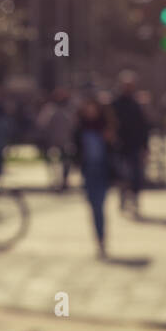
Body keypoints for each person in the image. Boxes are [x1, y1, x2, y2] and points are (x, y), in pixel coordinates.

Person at [74, 95, 116, 258]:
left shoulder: (105, 127)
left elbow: (114, 149)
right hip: (89, 172)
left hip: (103, 171)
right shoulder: (80, 128)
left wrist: (110, 140)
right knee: (94, 207)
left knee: (100, 206)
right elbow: (75, 152)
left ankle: (102, 238)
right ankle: (99, 239)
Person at [111, 71, 150, 218]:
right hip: (120, 145)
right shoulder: (115, 104)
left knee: (136, 175)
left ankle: (134, 198)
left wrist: (145, 146)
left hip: (135, 145)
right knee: (122, 175)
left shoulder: (137, 105)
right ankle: (122, 198)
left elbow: (144, 127)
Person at [36, 89, 76, 190]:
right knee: (54, 162)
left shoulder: (70, 108)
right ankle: (55, 181)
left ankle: (64, 180)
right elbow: (41, 124)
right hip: (52, 141)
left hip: (67, 141)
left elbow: (75, 124)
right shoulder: (49, 109)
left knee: (66, 162)